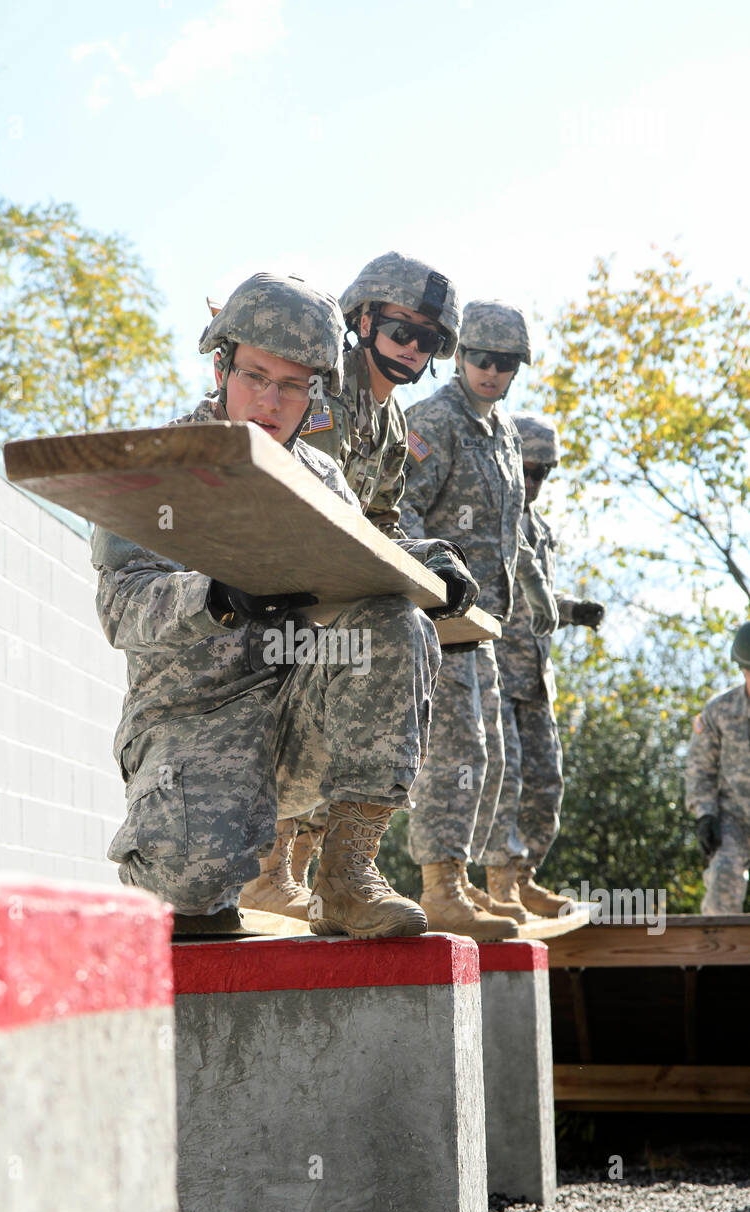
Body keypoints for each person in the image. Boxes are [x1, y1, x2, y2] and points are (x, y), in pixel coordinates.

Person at [90, 271, 475, 939]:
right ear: (221, 366)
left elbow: (357, 576)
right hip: (192, 719)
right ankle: (203, 870)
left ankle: (347, 876)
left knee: (395, 622)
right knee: (189, 897)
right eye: (255, 377)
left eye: (293, 385)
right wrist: (214, 597)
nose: (271, 401)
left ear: (315, 391)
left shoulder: (321, 477)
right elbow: (122, 609)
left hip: (297, 716)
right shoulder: (156, 466)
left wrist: (424, 567)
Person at [241, 251, 469, 917]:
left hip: (336, 603)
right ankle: (270, 869)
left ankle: (325, 875)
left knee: (391, 654)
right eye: (402, 331)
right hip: (269, 609)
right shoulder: (321, 393)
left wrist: (433, 562)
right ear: (362, 320)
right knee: (362, 658)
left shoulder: (392, 424)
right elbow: (295, 510)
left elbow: (380, 525)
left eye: (429, 341)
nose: (413, 349)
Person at [400, 300, 561, 936]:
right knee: (457, 748)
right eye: (481, 359)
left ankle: (464, 881)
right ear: (459, 356)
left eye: (506, 364)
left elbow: (509, 532)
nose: (492, 373)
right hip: (439, 613)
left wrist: (533, 587)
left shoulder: (505, 434)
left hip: (489, 624)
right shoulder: (432, 421)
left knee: (492, 755)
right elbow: (398, 507)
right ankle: (439, 884)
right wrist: (437, 574)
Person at [480, 413, 605, 917]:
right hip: (494, 673)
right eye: (525, 470)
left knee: (546, 781)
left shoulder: (541, 529)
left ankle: (526, 877)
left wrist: (574, 611)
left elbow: (540, 598)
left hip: (535, 679)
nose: (532, 482)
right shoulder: (491, 516)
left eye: (541, 474)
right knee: (502, 780)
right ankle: (500, 882)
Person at [685, 621, 750, 915]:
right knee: (723, 877)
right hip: (733, 819)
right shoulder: (720, 710)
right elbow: (701, 769)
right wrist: (705, 814)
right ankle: (718, 958)